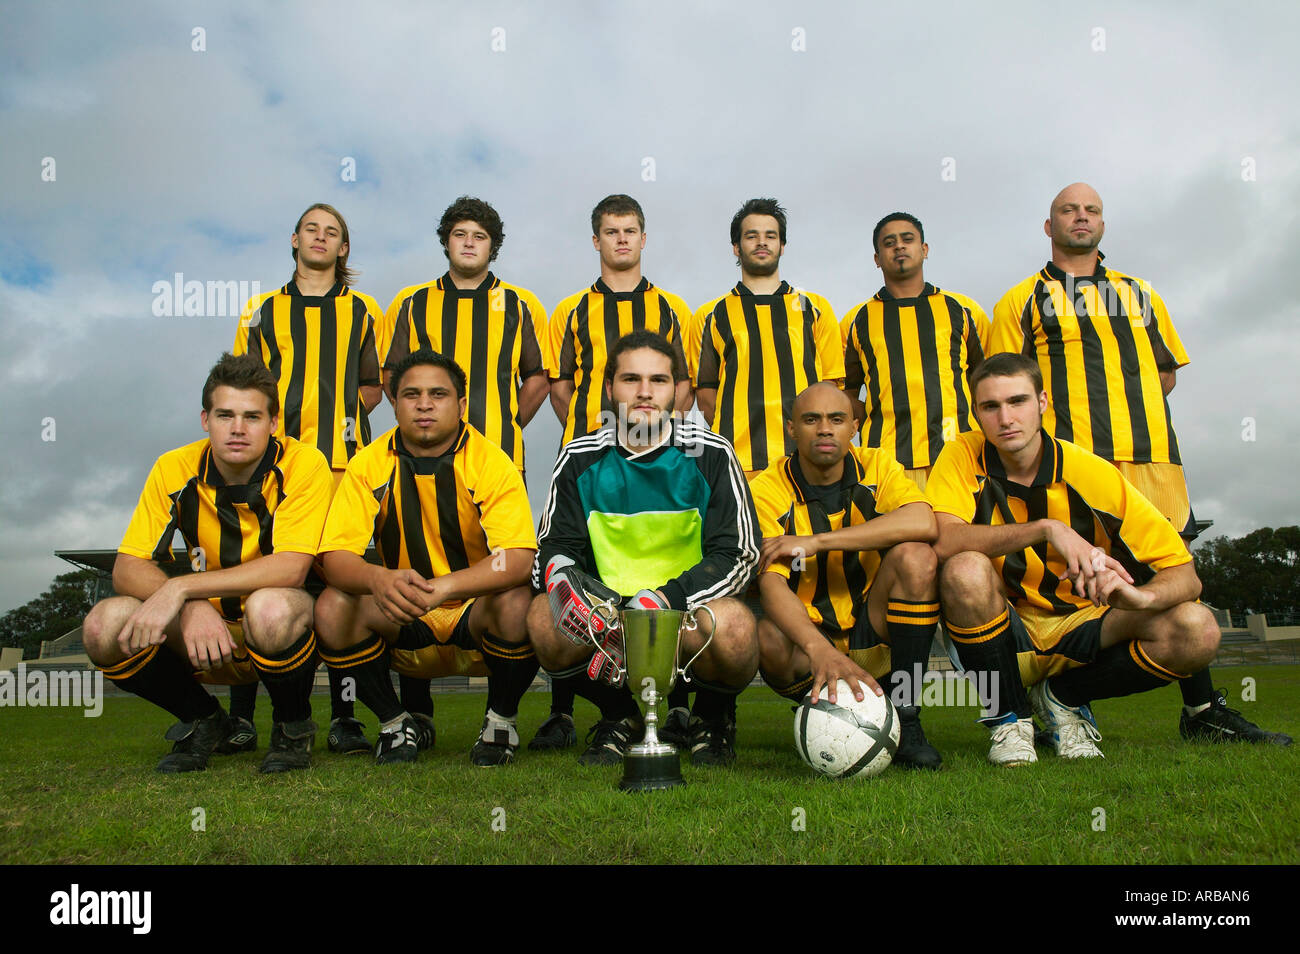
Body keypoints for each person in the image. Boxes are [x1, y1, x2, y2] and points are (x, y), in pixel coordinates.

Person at [989, 183, 1289, 745]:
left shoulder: (1141, 293)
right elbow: (1006, 381)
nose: (1081, 217)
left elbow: (1165, 374)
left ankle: (1201, 711)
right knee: (1079, 584)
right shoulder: (1020, 300)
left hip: (1152, 458)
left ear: (1103, 223)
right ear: (1047, 225)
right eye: (1068, 210)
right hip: (1074, 465)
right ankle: (1060, 695)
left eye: (1092, 210)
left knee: (1170, 577)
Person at [929, 353, 1225, 764]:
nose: (1005, 418)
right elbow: (944, 541)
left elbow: (1186, 576)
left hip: (1083, 625)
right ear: (976, 413)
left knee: (1198, 630)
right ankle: (1009, 719)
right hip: (1005, 631)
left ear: (1043, 403)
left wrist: (1140, 599)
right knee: (963, 566)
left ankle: (1064, 698)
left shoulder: (1091, 472)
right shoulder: (963, 454)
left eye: (1018, 401)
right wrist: (1048, 528)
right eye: (990, 407)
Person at [81, 354, 333, 774]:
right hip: (202, 634)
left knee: (269, 608)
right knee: (101, 625)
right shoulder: (173, 467)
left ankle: (292, 728)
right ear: (205, 420)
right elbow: (127, 566)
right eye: (225, 415)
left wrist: (181, 588)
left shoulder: (304, 464)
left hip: (279, 627)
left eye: (252, 416)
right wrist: (193, 605)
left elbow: (290, 567)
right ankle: (204, 720)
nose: (237, 428)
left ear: (273, 424)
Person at [526, 331, 760, 766]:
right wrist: (579, 594)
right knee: (544, 618)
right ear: (610, 388)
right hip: (608, 625)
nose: (645, 392)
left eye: (659, 380)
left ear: (678, 391)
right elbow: (554, 547)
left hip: (686, 616)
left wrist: (662, 600)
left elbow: (739, 554)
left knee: (738, 628)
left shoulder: (711, 452)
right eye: (631, 379)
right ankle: (621, 717)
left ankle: (710, 718)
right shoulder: (578, 456)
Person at [313, 350, 539, 766]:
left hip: (472, 610)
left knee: (518, 600)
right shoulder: (366, 465)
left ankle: (500, 720)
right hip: (404, 612)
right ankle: (395, 723)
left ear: (462, 405)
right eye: (411, 394)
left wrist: (445, 587)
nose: (424, 404)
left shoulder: (491, 462)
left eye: (438, 394)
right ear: (394, 403)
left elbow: (518, 558)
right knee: (332, 606)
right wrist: (379, 580)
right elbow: (336, 559)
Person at [381, 197, 551, 743]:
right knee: (415, 558)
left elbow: (537, 378)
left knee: (500, 572)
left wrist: (506, 424)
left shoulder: (521, 304)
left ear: (492, 244)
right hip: (420, 457)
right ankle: (418, 712)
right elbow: (392, 377)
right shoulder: (411, 304)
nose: (470, 242)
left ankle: (498, 716)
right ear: (447, 241)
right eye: (460, 234)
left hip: (494, 460)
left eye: (480, 235)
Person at [533, 194, 694, 748]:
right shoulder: (571, 310)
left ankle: (675, 709)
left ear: (644, 239)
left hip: (657, 455)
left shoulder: (673, 308)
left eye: (630, 230)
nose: (621, 239)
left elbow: (685, 384)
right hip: (595, 455)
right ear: (596, 240)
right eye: (610, 231)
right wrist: (595, 429)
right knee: (583, 573)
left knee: (665, 562)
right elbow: (559, 386)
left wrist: (655, 433)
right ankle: (564, 712)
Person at [231, 202, 385, 757]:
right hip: (277, 469)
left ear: (343, 249)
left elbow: (372, 386)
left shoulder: (364, 310)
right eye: (312, 230)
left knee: (336, 587)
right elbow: (243, 388)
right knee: (262, 578)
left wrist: (341, 422)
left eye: (333, 233)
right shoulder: (259, 310)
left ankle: (345, 718)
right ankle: (245, 717)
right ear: (294, 239)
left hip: (344, 467)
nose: (321, 238)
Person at [752, 383, 943, 769]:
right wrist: (818, 649)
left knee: (916, 557)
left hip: (873, 630)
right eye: (811, 419)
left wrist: (819, 541)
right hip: (812, 639)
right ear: (791, 429)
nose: (825, 429)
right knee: (767, 635)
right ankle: (826, 712)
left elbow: (924, 521)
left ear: (853, 427)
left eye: (836, 419)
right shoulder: (767, 488)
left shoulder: (876, 465)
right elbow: (769, 582)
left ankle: (906, 715)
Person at [690, 198, 844, 479]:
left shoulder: (815, 307)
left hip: (805, 461)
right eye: (751, 236)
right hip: (737, 461)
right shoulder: (710, 314)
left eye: (770, 236)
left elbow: (830, 387)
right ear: (737, 247)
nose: (762, 242)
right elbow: (706, 396)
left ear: (782, 246)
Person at [841, 212, 990, 491]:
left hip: (959, 454)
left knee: (961, 534)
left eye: (907, 240)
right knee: (901, 535)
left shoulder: (961, 310)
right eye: (889, 242)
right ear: (877, 258)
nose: (899, 246)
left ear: (924, 250)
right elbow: (847, 393)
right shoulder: (856, 320)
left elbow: (985, 382)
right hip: (888, 461)